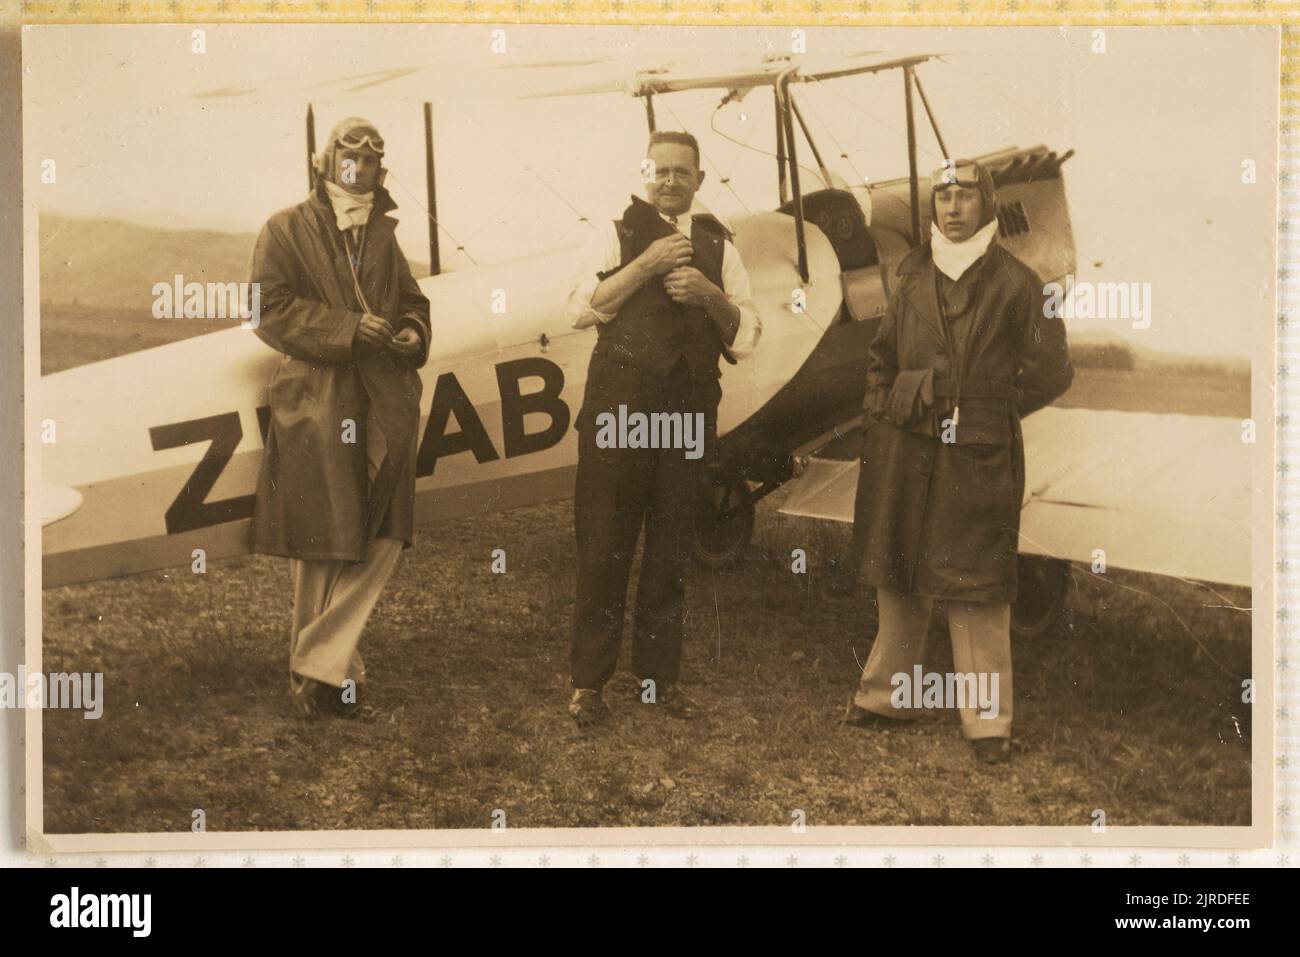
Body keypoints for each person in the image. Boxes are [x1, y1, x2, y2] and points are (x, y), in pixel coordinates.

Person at [844, 159, 1073, 762]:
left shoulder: (1021, 283)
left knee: (976, 581)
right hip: (904, 438)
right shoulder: (912, 275)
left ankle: (988, 724)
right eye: (942, 196)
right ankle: (884, 697)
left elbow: (1053, 371)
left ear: (987, 204)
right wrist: (880, 410)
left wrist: (989, 413)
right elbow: (881, 356)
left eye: (964, 195)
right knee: (899, 567)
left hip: (977, 448)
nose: (951, 206)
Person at [565, 130, 761, 726]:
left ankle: (657, 681)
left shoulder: (718, 244)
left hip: (686, 414)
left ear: (700, 179)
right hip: (619, 412)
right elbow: (578, 308)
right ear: (645, 173)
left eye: (683, 171)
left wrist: (707, 295)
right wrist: (645, 265)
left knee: (671, 548)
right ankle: (588, 686)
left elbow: (746, 335)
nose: (671, 180)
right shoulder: (616, 230)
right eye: (661, 170)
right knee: (605, 544)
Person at [249, 117, 431, 719]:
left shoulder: (383, 233)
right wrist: (349, 329)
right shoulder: (284, 229)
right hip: (319, 398)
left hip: (385, 399)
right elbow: (268, 311)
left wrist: (408, 330)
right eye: (346, 156)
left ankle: (317, 662)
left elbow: (412, 301)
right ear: (324, 163)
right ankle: (329, 675)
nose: (358, 166)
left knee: (383, 533)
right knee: (322, 539)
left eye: (371, 159)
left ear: (381, 169)